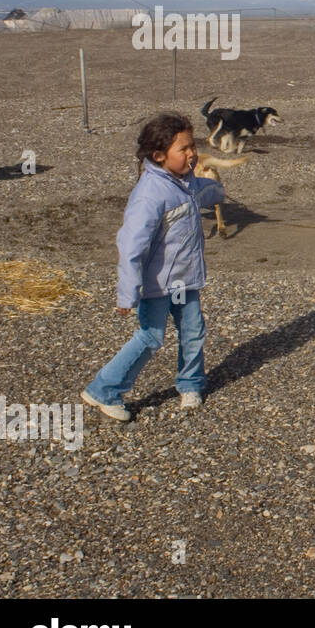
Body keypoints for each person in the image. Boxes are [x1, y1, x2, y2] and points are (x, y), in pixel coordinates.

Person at [82, 114, 224, 422]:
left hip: (184, 281)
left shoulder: (183, 182)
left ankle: (190, 384)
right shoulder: (150, 194)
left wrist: (217, 191)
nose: (192, 153)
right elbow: (131, 246)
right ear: (159, 156)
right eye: (184, 149)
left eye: (193, 145)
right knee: (150, 337)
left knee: (193, 333)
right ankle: (103, 389)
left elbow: (202, 190)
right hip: (158, 284)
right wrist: (126, 293)